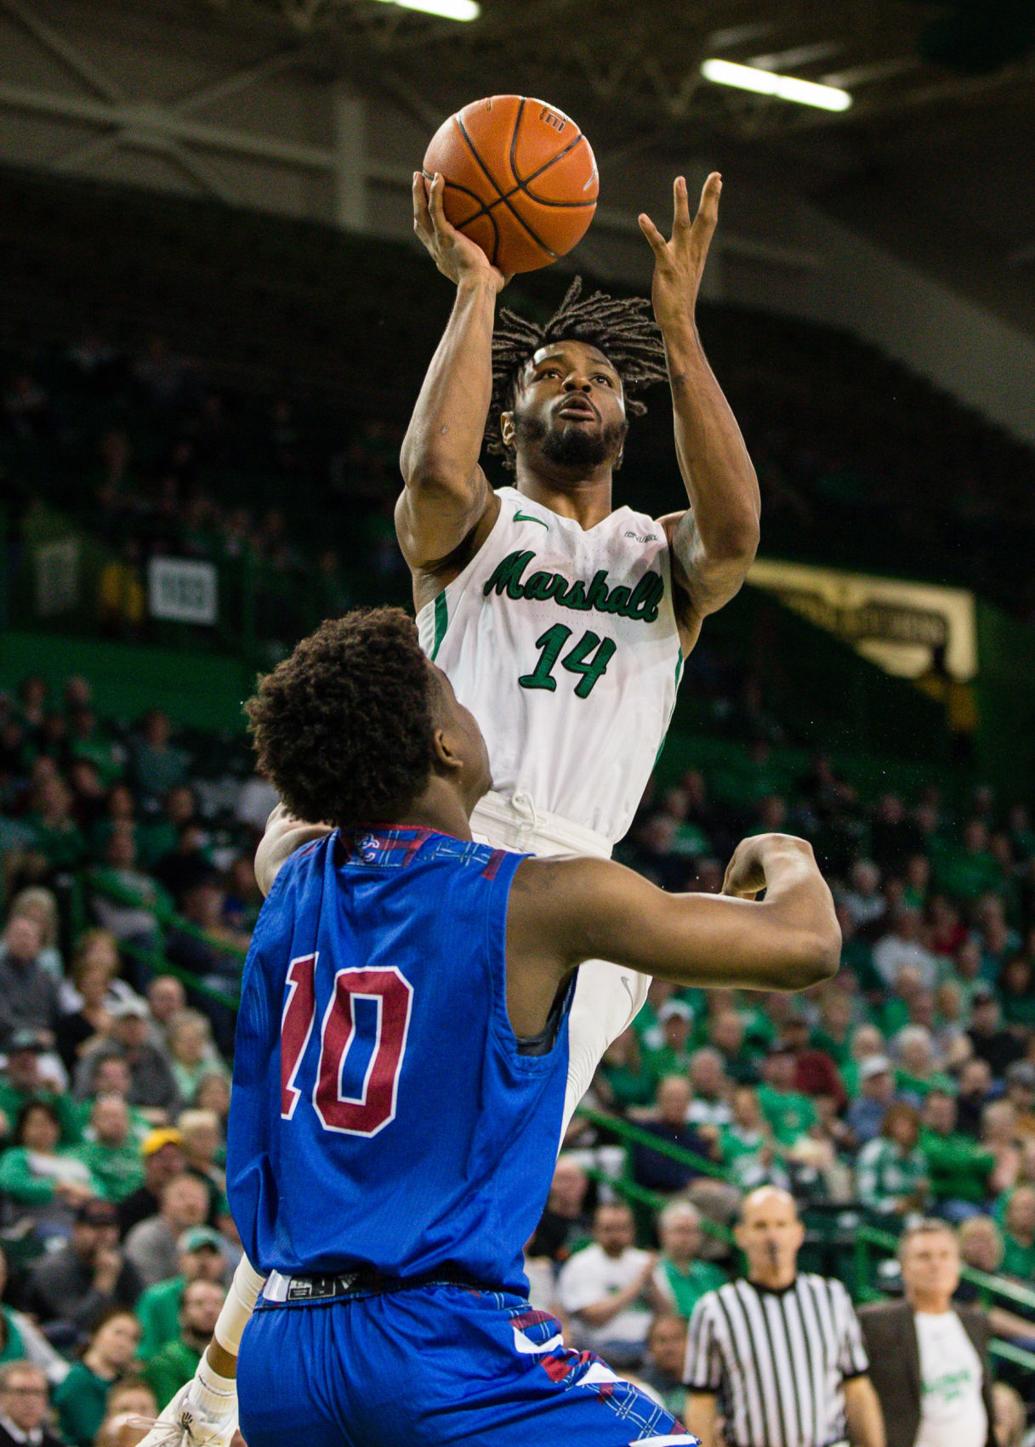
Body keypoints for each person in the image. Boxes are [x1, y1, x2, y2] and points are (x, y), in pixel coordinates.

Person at [141, 608, 837, 1446]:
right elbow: (805, 946)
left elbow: (289, 844)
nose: (474, 708)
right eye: (452, 697)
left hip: (284, 1351)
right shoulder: (538, 901)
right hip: (433, 1344)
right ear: (444, 746)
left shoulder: (291, 883)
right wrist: (786, 850)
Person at [683, 1186, 883, 1447]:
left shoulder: (832, 1296)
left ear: (798, 1233)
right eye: (760, 1226)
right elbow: (701, 1402)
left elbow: (857, 1388)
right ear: (740, 1235)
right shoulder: (715, 1309)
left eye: (780, 1224)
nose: (772, 1236)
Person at [858, 1220, 995, 1447]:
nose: (936, 1265)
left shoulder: (975, 1322)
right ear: (903, 1266)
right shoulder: (875, 1323)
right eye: (924, 1256)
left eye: (944, 1256)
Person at [21, 1198, 142, 1340]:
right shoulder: (55, 1268)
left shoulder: (121, 1260)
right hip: (59, 1346)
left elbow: (140, 1306)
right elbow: (77, 1325)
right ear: (77, 1229)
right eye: (95, 1227)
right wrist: (103, 1283)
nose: (104, 1235)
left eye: (110, 1227)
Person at [556, 1202, 658, 1368]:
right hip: (601, 1350)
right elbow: (596, 1317)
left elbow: (667, 1314)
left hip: (647, 1349)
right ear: (594, 1231)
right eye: (608, 1229)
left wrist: (653, 1285)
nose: (615, 1235)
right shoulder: (581, 1264)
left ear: (633, 1230)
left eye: (622, 1228)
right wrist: (639, 1282)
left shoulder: (643, 1261)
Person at [53, 1308, 142, 1447]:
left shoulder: (129, 1382)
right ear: (95, 1334)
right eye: (118, 1333)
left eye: (133, 1339)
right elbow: (90, 1434)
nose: (124, 1343)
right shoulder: (78, 1378)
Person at [652, 1200, 726, 1319]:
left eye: (692, 1231)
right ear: (663, 1234)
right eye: (680, 1230)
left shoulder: (712, 1273)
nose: (686, 1238)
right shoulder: (654, 1270)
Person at [0, 1362, 65, 1447]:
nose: (30, 1401)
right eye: (21, 1392)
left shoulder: (54, 1444)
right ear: (2, 1396)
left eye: (37, 1393)